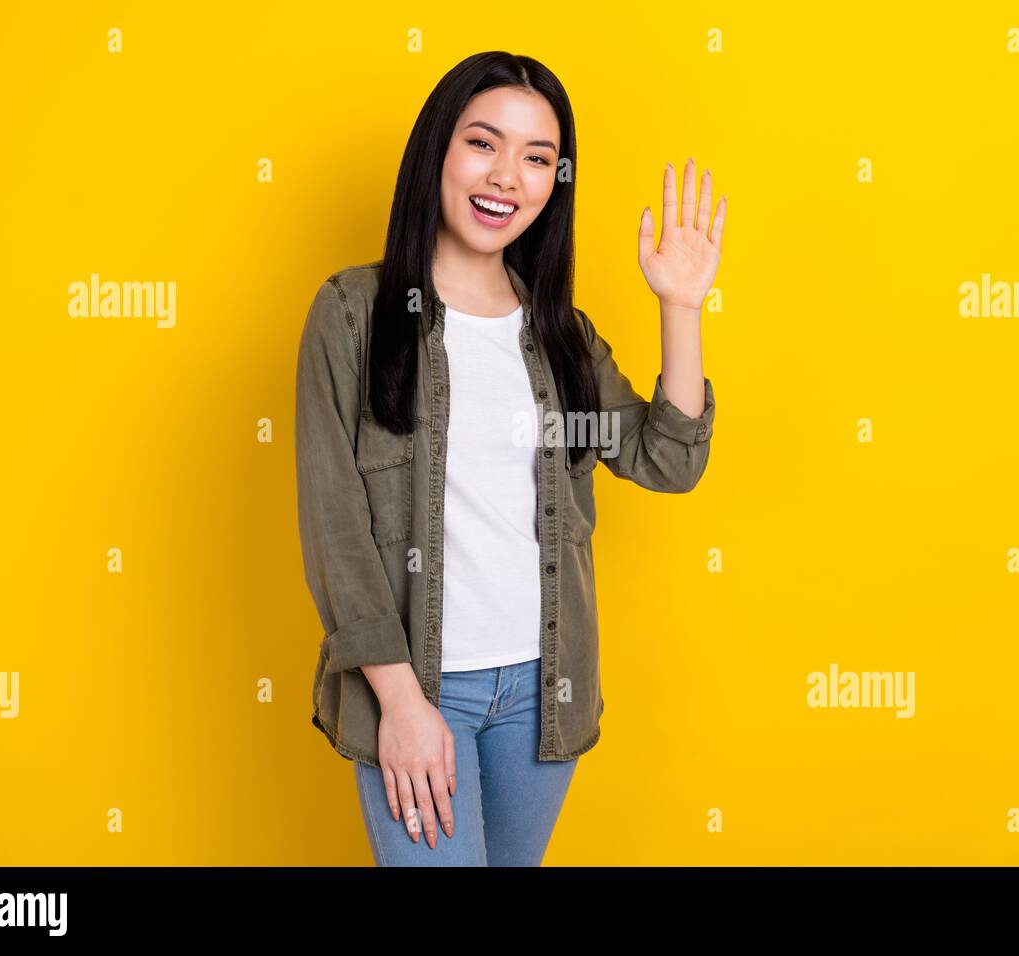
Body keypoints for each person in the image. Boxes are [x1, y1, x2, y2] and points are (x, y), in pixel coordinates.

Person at [295, 50, 725, 866]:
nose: (508, 177)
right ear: (438, 154)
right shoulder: (353, 315)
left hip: (542, 689)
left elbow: (664, 459)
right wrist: (402, 703)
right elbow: (336, 530)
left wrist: (679, 307)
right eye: (483, 143)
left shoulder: (559, 338)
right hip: (420, 687)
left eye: (537, 158)